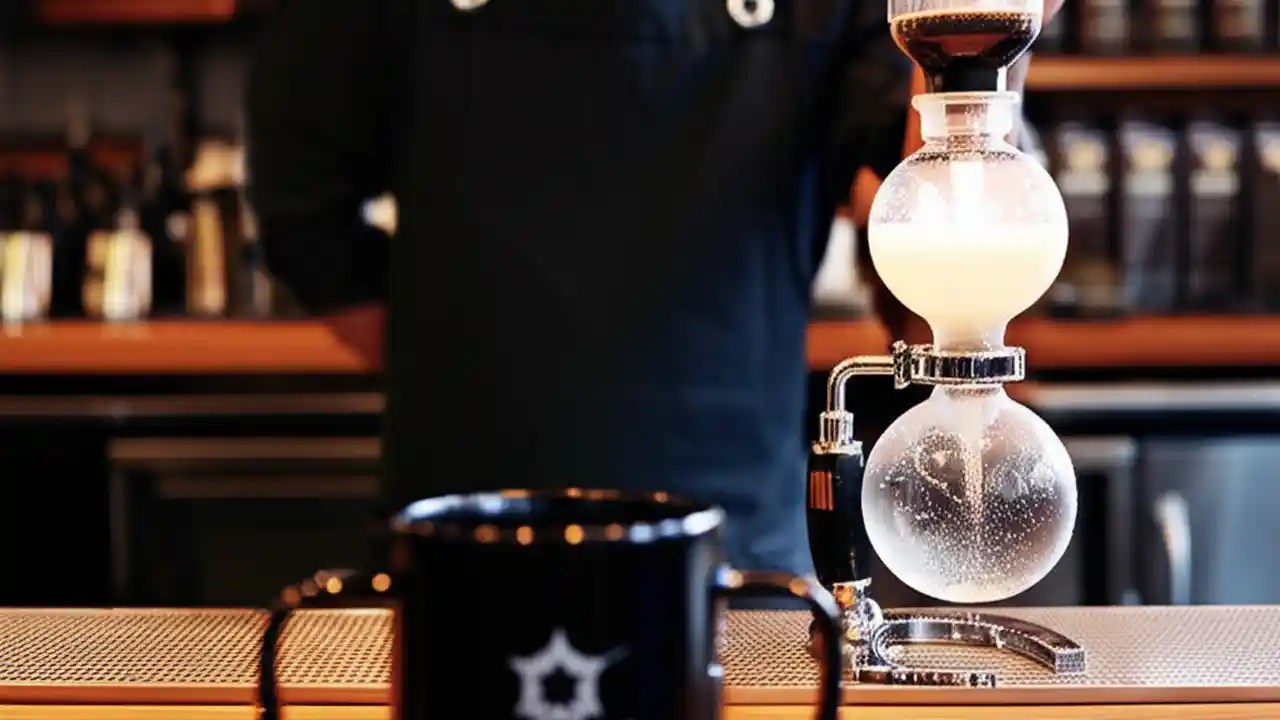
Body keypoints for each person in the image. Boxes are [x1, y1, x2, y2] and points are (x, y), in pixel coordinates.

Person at [245, 0, 1061, 576]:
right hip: (457, 553)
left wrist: (981, 48)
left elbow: (918, 209)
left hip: (739, 569)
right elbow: (302, 218)